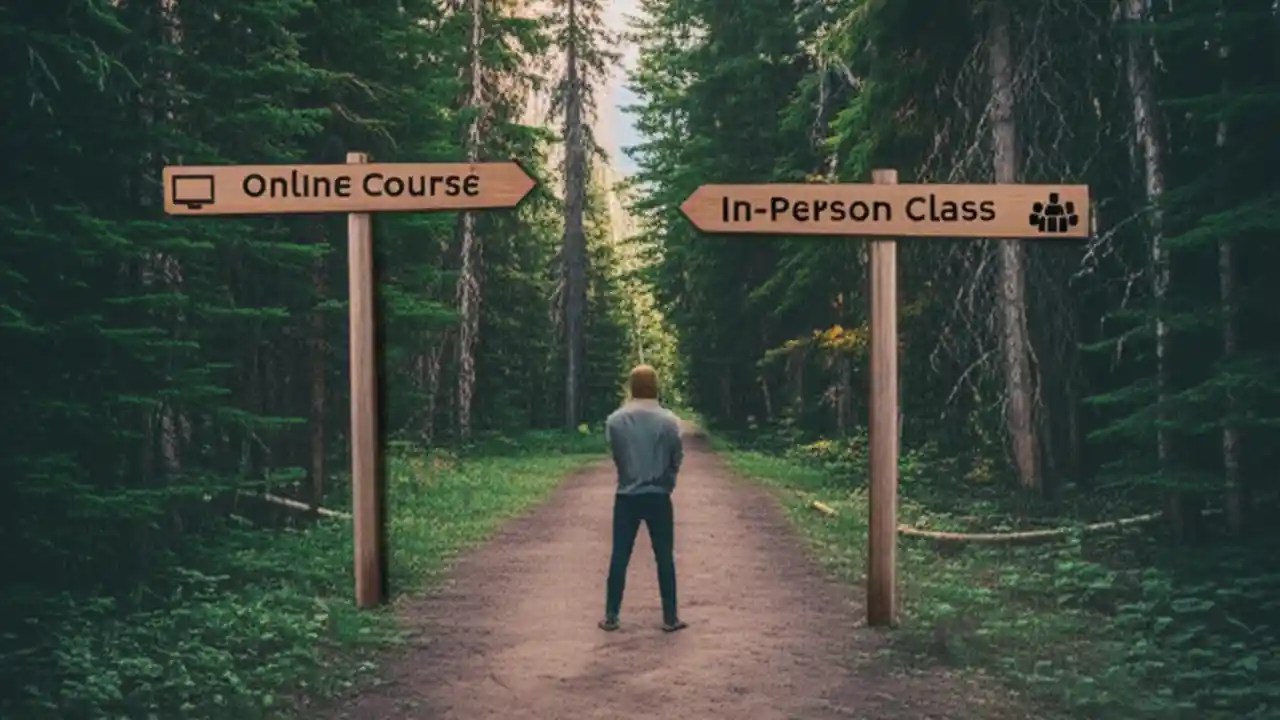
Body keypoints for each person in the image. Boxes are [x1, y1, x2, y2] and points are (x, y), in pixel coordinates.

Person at [598, 364, 688, 633]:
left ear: (631, 385)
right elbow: (676, 457)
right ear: (655, 385)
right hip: (659, 496)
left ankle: (612, 615)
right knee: (664, 557)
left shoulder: (615, 420)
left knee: (620, 555)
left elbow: (617, 456)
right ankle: (670, 617)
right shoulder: (670, 421)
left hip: (627, 496)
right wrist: (668, 482)